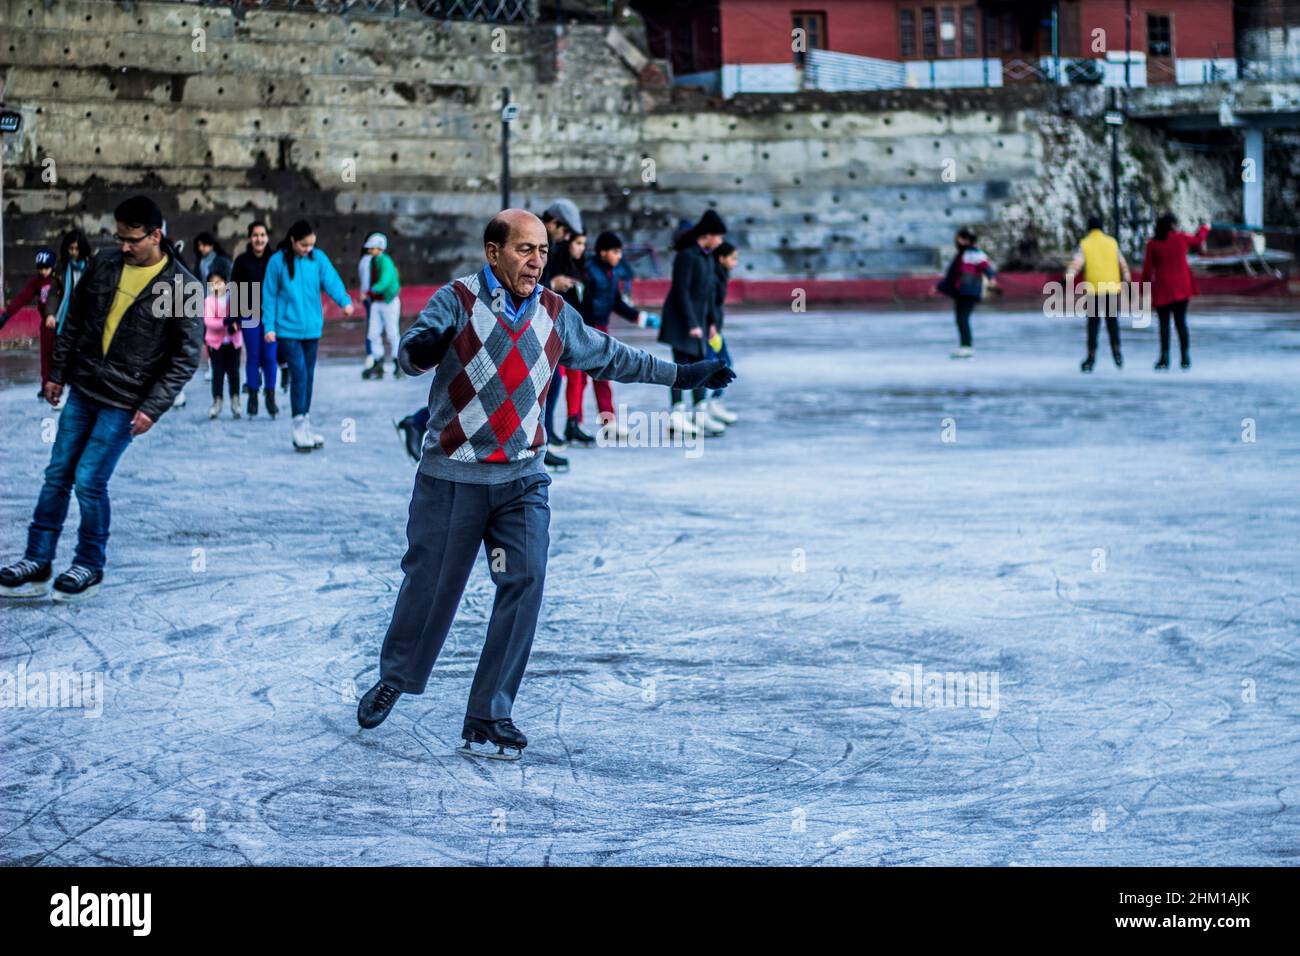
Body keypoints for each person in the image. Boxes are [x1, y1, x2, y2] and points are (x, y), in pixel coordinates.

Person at [355, 209, 735, 759]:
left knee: (525, 580)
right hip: (452, 477)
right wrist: (422, 349)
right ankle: (398, 674)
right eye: (524, 250)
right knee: (430, 587)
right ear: (493, 253)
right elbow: (415, 352)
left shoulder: (556, 314)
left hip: (522, 480)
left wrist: (681, 374)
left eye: (541, 251)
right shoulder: (456, 300)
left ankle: (489, 711)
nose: (536, 261)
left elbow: (610, 356)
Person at [0, 195, 202, 603]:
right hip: (85, 388)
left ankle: (89, 563)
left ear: (156, 235)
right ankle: (37, 559)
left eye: (132, 239)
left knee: (89, 480)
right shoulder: (105, 264)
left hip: (126, 400)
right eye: (119, 237)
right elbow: (73, 321)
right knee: (57, 473)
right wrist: (57, 373)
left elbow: (185, 358)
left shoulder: (182, 287)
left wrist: (152, 407)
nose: (123, 246)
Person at [260, 219, 354, 451]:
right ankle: (297, 424)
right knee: (299, 373)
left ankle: (306, 422)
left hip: (312, 328)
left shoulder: (317, 258)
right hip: (287, 329)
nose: (308, 249)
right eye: (304, 245)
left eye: (311, 245)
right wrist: (268, 326)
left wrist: (344, 301)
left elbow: (331, 280)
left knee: (309, 375)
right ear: (292, 240)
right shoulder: (277, 261)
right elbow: (269, 295)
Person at [574, 230, 659, 440]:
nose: (619, 255)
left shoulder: (612, 273)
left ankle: (608, 422)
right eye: (614, 251)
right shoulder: (588, 271)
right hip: (586, 329)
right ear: (602, 252)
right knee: (579, 379)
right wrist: (582, 331)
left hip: (601, 330)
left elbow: (616, 303)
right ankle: (575, 422)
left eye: (619, 251)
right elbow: (580, 303)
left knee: (603, 376)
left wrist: (641, 318)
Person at [659, 209, 728, 437]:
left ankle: (699, 411)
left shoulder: (707, 257)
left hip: (699, 321)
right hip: (682, 321)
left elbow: (709, 296)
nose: (720, 241)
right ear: (707, 234)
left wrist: (711, 323)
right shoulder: (687, 256)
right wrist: (691, 323)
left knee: (700, 366)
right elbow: (681, 291)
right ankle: (676, 413)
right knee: (680, 366)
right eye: (718, 236)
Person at [538, 199, 583, 471]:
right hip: (518, 324)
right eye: (565, 232)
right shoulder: (531, 238)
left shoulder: (548, 244)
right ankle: (418, 421)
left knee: (551, 383)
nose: (566, 239)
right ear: (553, 222)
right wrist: (551, 285)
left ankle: (542, 440)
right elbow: (519, 281)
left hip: (539, 324)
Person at [1140, 213, 1210, 370]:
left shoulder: (1153, 244)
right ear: (1172, 224)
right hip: (1181, 287)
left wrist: (1143, 289)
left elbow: (1147, 270)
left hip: (1162, 288)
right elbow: (1198, 240)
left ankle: (1164, 357)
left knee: (1164, 325)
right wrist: (1205, 228)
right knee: (1181, 323)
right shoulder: (1180, 238)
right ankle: (1185, 357)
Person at [1066, 216, 1132, 373]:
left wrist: (1066, 280)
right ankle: (1117, 353)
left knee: (1093, 325)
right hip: (1111, 288)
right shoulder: (1112, 242)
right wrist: (1128, 281)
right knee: (1112, 323)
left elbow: (1076, 264)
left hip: (1093, 290)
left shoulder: (1085, 244)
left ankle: (1091, 356)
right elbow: (1123, 264)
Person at [39, 231, 94, 400]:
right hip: (66, 318)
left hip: (87, 318)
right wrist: (50, 314)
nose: (74, 252)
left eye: (77, 249)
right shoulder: (62, 268)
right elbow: (54, 294)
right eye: (71, 248)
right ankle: (60, 389)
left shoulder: (93, 266)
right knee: (62, 354)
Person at [231, 220, 277, 418]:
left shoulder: (275, 260)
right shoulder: (241, 261)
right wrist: (234, 315)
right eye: (255, 235)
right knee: (253, 355)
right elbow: (234, 288)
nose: (259, 239)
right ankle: (252, 395)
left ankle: (271, 396)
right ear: (250, 238)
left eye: (262, 235)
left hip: (270, 315)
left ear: (267, 237)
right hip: (249, 313)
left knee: (270, 356)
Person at [0, 247, 57, 396]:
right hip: (46, 324)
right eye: (40, 268)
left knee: (62, 355)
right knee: (46, 356)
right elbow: (22, 298)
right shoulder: (37, 281)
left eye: (46, 268)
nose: (43, 271)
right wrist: (6, 316)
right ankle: (46, 386)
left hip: (62, 321)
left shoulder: (59, 279)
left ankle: (62, 384)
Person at [937, 227, 998, 359]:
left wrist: (992, 279)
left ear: (965, 240)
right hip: (962, 291)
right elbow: (952, 275)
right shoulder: (962, 254)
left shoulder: (973, 254)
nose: (957, 241)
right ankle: (965, 345)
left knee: (962, 318)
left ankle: (967, 346)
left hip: (969, 290)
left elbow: (986, 267)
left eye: (959, 238)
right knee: (960, 318)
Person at [703, 240, 739, 425]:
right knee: (711, 367)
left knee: (725, 364)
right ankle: (704, 407)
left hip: (715, 329)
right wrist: (711, 325)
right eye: (732, 258)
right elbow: (708, 303)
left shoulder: (721, 274)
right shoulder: (713, 276)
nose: (736, 262)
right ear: (721, 258)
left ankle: (714, 402)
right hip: (710, 330)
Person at [360, 232, 403, 380]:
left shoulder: (385, 261)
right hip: (376, 302)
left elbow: (385, 281)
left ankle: (398, 363)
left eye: (372, 248)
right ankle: (378, 361)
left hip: (388, 302)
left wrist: (371, 291)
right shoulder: (373, 261)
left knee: (392, 333)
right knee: (373, 333)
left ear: (379, 248)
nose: (369, 250)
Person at [203, 258, 242, 419]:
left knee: (234, 373)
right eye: (212, 284)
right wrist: (226, 322)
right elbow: (209, 322)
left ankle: (235, 400)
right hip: (216, 344)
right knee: (217, 374)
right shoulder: (209, 301)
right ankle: (217, 401)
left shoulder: (233, 298)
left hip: (233, 343)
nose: (215, 287)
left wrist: (237, 324)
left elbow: (241, 317)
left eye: (218, 282)